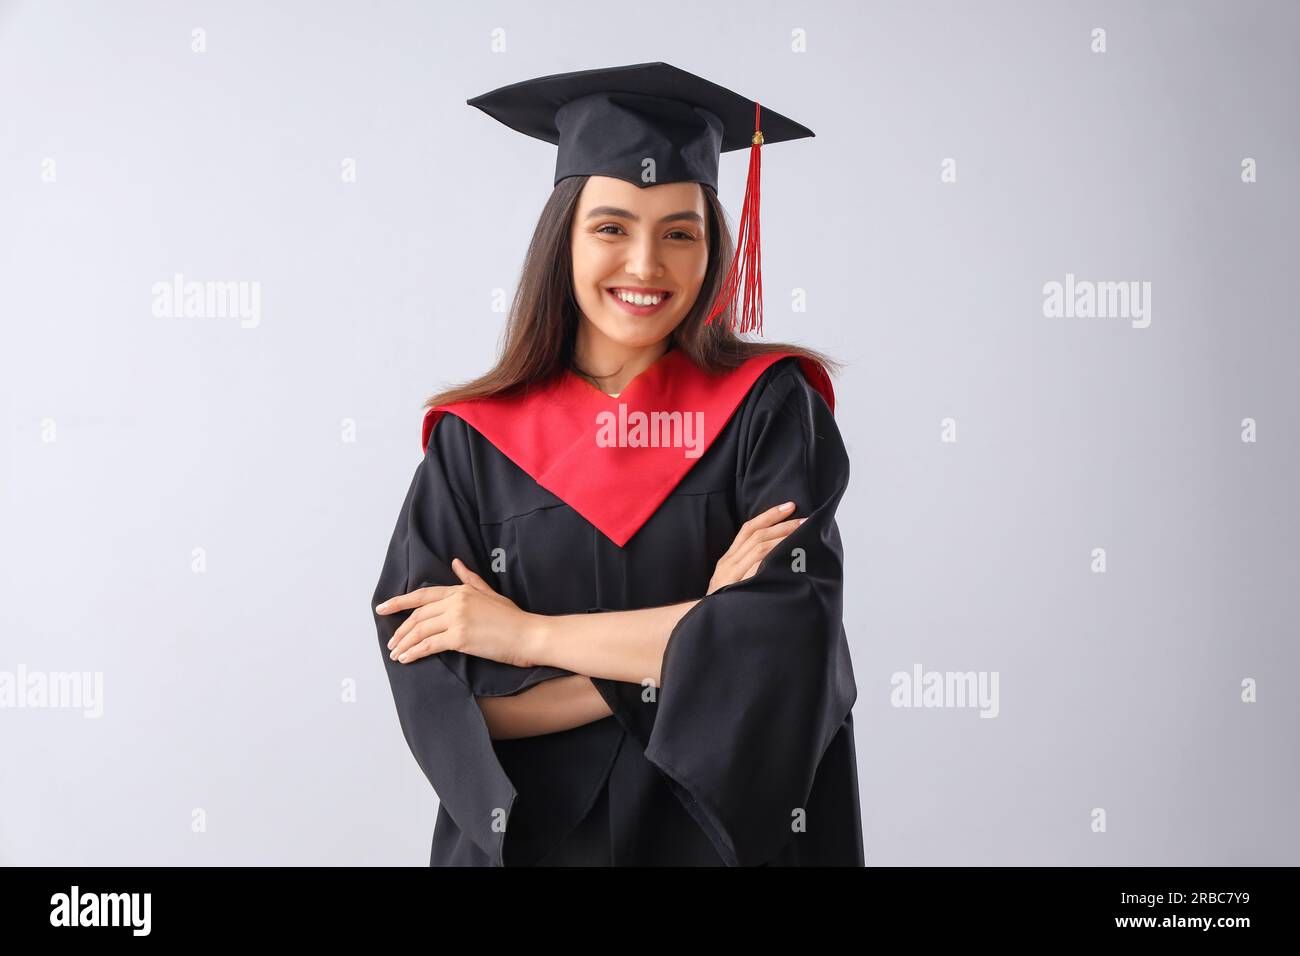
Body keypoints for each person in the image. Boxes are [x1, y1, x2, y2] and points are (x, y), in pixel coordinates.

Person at [371, 62, 863, 866]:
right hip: (537, 844)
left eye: (679, 231)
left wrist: (528, 637)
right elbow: (442, 693)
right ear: (561, 238)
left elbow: (789, 655)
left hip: (721, 841)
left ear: (713, 247)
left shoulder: (769, 410)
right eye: (610, 228)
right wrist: (701, 632)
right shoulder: (475, 440)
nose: (645, 265)